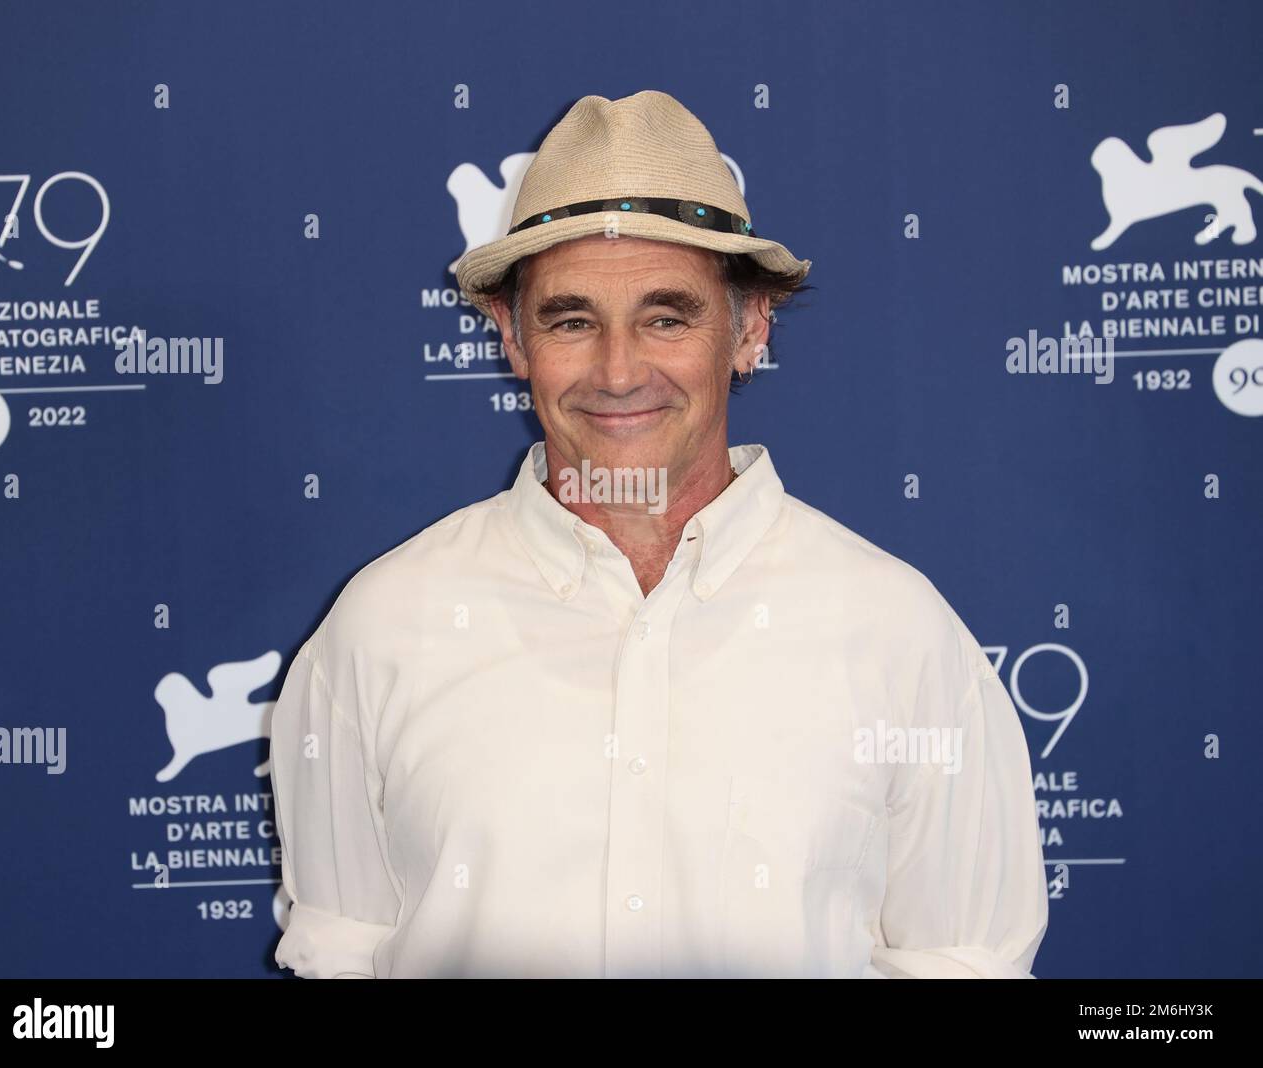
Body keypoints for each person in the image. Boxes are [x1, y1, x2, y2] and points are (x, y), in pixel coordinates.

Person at [269, 89, 1048, 978]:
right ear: (512, 337)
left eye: (666, 317)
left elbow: (962, 961)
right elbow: (340, 952)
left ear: (751, 328)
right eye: (571, 321)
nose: (618, 370)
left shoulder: (900, 634)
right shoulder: (381, 626)